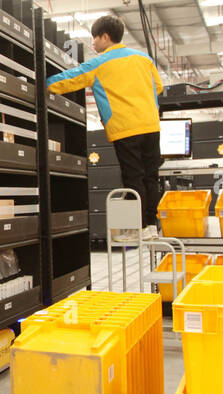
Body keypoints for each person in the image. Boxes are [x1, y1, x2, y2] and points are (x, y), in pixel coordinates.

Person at [46, 14, 164, 238]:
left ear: (105, 37)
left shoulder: (100, 63)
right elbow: (157, 87)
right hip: (151, 126)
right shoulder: (144, 59)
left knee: (133, 177)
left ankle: (137, 229)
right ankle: (151, 227)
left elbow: (71, 78)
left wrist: (44, 84)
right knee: (150, 177)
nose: (93, 43)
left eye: (94, 38)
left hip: (125, 128)